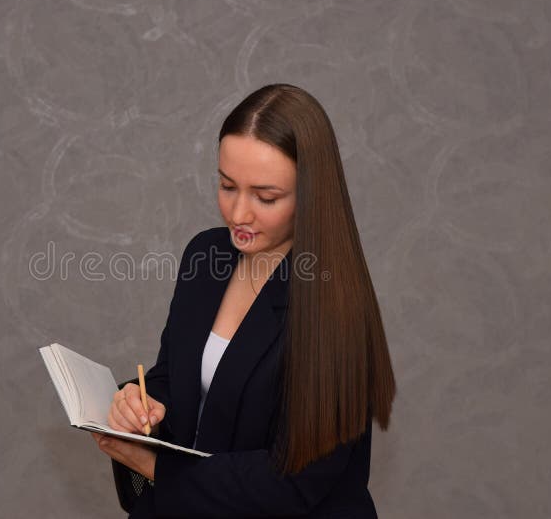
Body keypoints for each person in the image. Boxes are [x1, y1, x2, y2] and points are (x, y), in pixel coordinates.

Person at [91, 83, 397, 518]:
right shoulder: (206, 255)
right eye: (227, 186)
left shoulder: (337, 306)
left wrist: (151, 466)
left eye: (266, 197)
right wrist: (141, 405)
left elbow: (292, 480)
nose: (238, 214)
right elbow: (174, 378)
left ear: (311, 195)